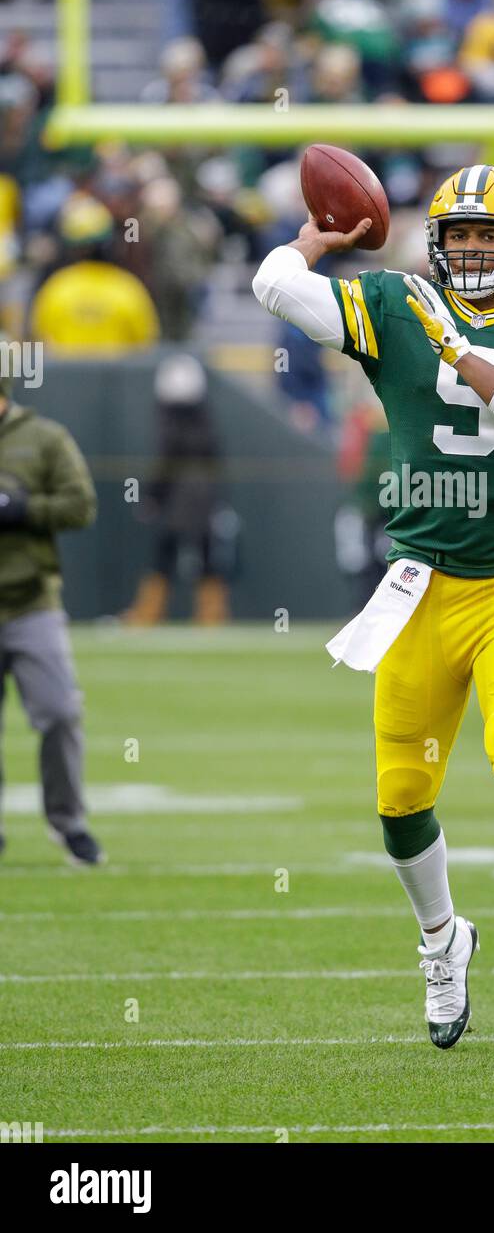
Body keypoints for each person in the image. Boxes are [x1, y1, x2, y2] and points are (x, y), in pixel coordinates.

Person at [253, 163, 494, 1062]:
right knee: (400, 801)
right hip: (420, 582)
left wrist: (465, 360)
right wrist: (320, 237)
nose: (473, 251)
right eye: (460, 237)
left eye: (490, 237)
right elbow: (272, 284)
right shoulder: (392, 302)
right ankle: (442, 942)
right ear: (438, 243)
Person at [0, 354, 102, 864]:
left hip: (28, 599)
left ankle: (68, 821)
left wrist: (21, 509)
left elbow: (80, 505)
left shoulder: (43, 438)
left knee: (60, 711)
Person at [123, 355, 236, 627]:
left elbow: (166, 460)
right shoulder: (203, 422)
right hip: (203, 493)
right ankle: (210, 616)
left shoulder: (172, 424)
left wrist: (153, 496)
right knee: (202, 552)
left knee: (168, 551)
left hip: (182, 495)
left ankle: (152, 613)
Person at [30, 194, 160, 355]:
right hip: (117, 379)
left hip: (66, 379)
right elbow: (146, 344)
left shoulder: (55, 288)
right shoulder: (127, 288)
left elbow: (40, 340)